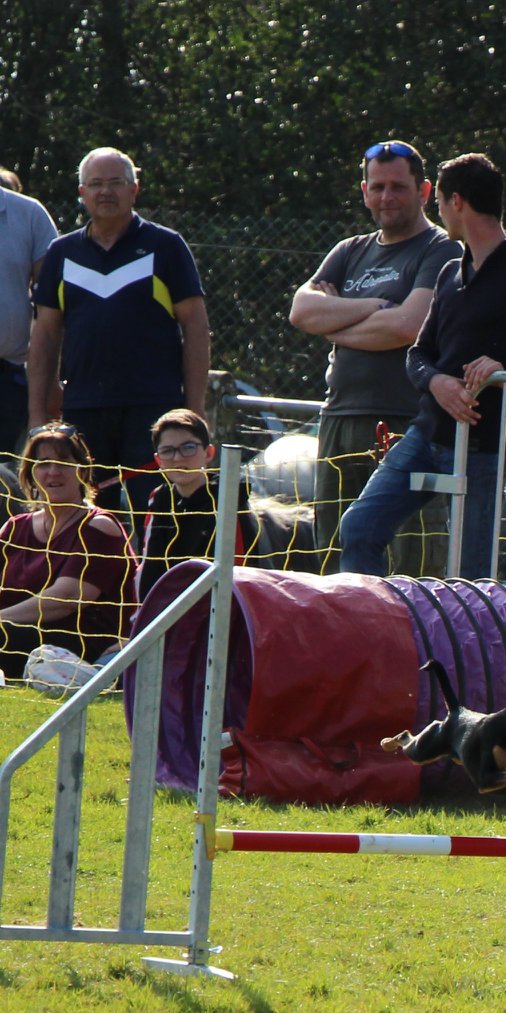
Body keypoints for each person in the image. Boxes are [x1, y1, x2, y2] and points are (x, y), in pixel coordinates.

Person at [339, 153, 506, 580]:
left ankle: (469, 647)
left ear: (457, 202)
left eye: (439, 203)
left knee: (473, 574)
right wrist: (437, 383)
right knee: (359, 527)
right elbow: (418, 355)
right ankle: (372, 630)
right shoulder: (451, 273)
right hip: (425, 435)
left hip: (484, 449)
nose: (438, 213)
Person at [289, 141, 462, 573]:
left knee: (410, 562)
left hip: (408, 426)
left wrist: (335, 323)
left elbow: (409, 326)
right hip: (340, 420)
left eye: (399, 187)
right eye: (378, 187)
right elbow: (301, 311)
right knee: (333, 553)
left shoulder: (440, 250)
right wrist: (373, 307)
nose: (387, 197)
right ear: (364, 191)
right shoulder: (350, 251)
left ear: (424, 191)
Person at [27, 147, 210, 523]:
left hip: (154, 409)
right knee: (85, 523)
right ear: (82, 193)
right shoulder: (61, 253)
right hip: (83, 410)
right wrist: (36, 415)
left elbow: (196, 327)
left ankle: (158, 585)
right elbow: (44, 335)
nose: (105, 192)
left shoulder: (166, 246)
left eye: (115, 183)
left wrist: (192, 410)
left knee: (160, 520)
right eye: (95, 184)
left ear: (134, 189)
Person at [0, 425, 136, 680]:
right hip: (20, 636)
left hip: (80, 647)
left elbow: (66, 599)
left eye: (64, 462)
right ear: (30, 472)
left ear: (81, 469)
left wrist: (1, 619)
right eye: (43, 463)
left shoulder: (99, 526)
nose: (53, 472)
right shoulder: (15, 527)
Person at [134, 409, 261, 604]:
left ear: (208, 453)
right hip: (168, 611)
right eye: (167, 451)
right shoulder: (159, 499)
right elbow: (150, 567)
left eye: (188, 447)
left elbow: (241, 571)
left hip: (220, 611)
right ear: (158, 460)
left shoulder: (229, 498)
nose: (177, 458)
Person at [0, 169, 56, 459]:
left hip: (8, 379)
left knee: (3, 484)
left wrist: (50, 384)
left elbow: (53, 311)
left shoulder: (29, 214)